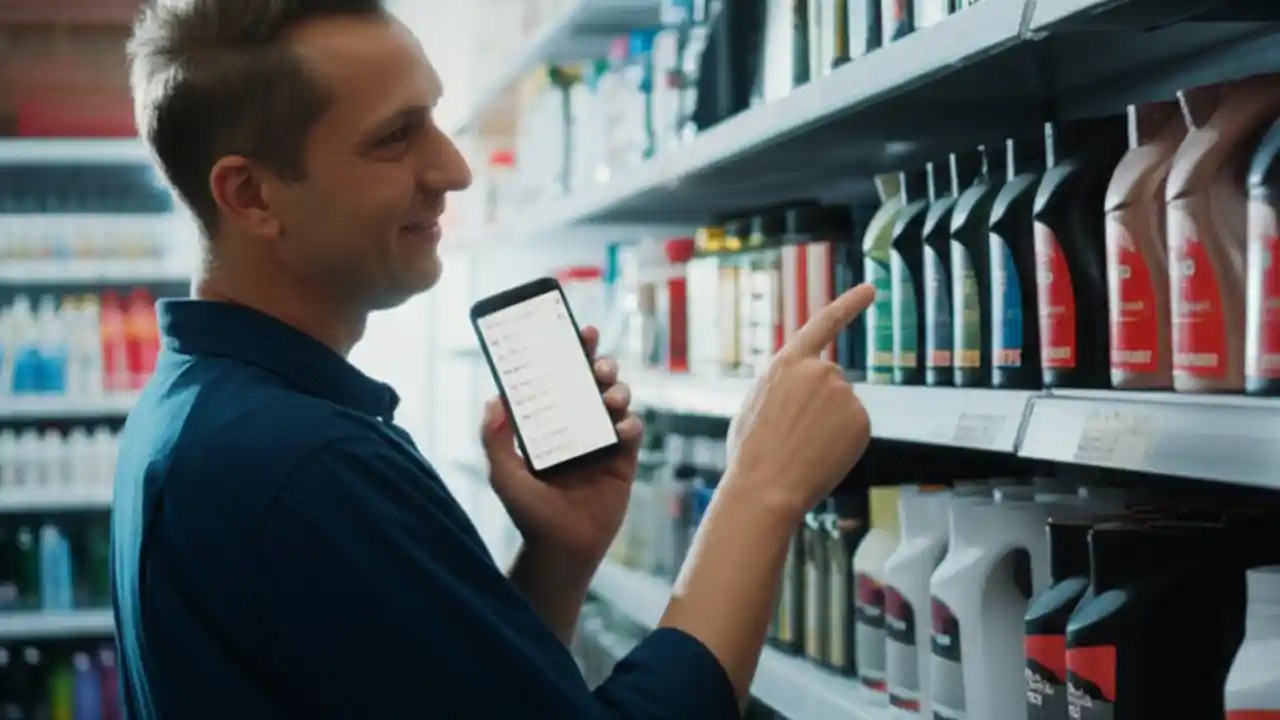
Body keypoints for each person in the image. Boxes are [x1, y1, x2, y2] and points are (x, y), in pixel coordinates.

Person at [113, 1, 874, 717]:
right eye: (393, 137)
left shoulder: (199, 409)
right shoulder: (300, 464)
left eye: (434, 120)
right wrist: (760, 491)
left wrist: (557, 559)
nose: (453, 169)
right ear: (251, 195)